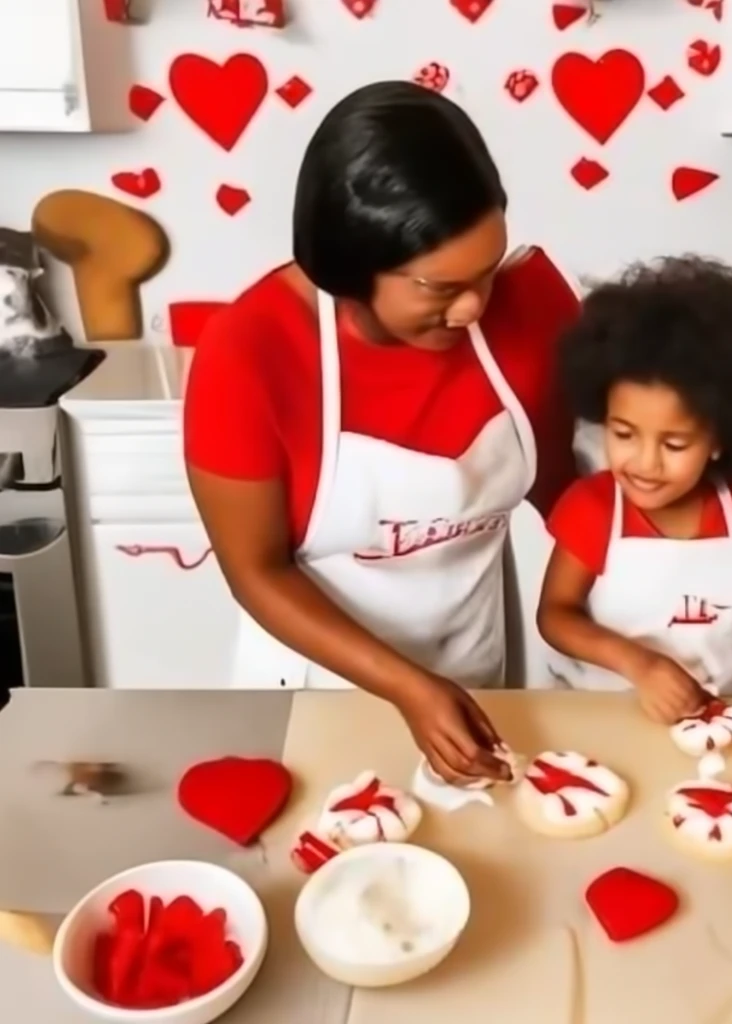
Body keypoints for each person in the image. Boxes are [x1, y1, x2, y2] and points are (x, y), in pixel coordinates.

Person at [183, 82, 581, 783]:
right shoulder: (251, 353)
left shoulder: (533, 311)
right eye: (437, 286)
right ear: (349, 264)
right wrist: (406, 687)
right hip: (319, 692)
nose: (472, 309)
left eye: (486, 273)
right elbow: (256, 571)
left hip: (480, 672)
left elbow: (572, 501)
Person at [536, 256, 732, 762]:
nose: (644, 462)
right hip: (597, 724)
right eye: (623, 434)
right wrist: (638, 664)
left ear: (719, 440)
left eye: (675, 443)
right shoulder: (591, 507)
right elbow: (555, 615)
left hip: (729, 730)